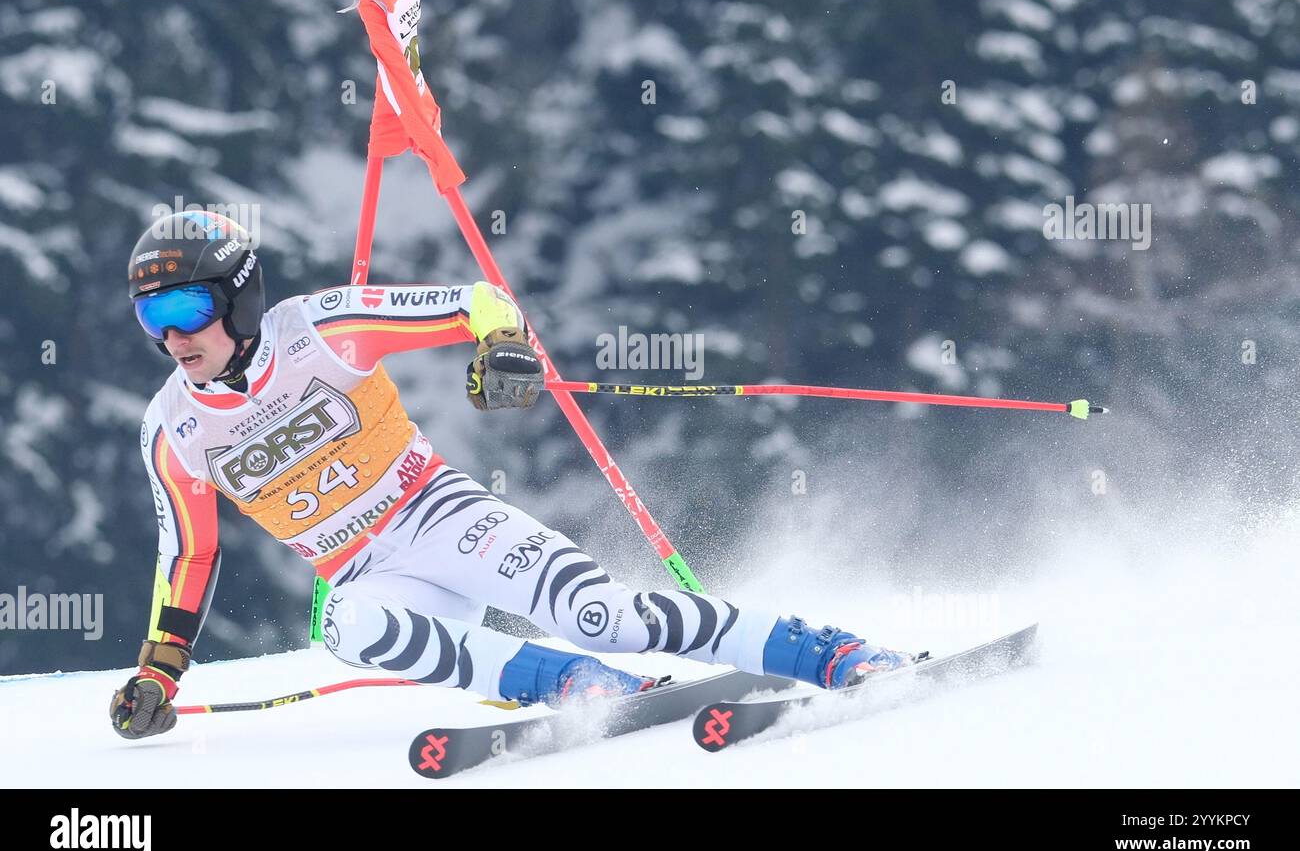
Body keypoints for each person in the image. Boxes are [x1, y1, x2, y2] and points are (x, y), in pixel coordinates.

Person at [110, 210, 917, 739]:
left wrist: (500, 346)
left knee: (607, 615)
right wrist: (160, 670)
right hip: (364, 573)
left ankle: (830, 652)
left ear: (240, 299)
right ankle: (574, 685)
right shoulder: (171, 431)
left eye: (187, 310)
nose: (174, 336)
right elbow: (190, 556)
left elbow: (477, 299)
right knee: (346, 628)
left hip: (440, 516)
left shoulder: (322, 329)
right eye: (153, 317)